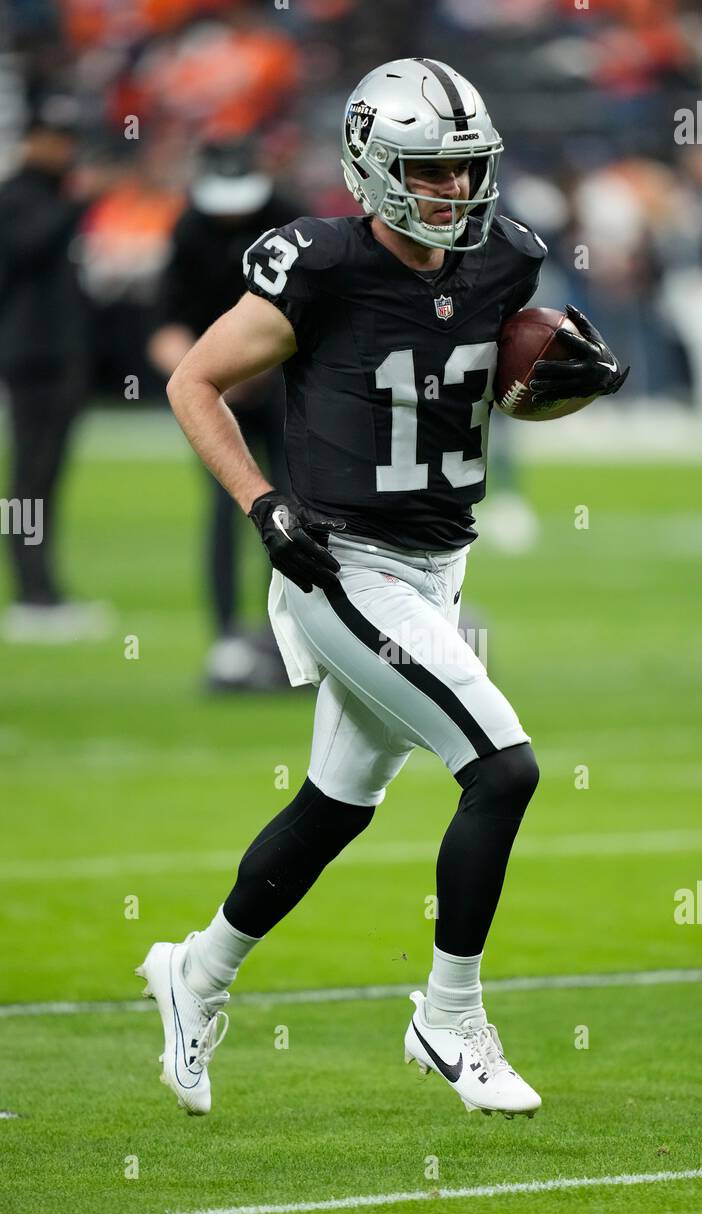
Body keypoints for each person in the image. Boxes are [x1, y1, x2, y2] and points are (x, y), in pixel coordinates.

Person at [136, 59, 627, 1119]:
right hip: (340, 562)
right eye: (428, 172)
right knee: (501, 770)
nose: (453, 194)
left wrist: (545, 383)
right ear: (369, 169)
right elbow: (193, 382)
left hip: (439, 560)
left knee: (332, 807)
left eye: (464, 171)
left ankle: (196, 972)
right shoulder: (318, 266)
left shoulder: (505, 258)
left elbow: (472, 371)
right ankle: (447, 1016)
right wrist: (263, 506)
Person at [148, 139, 303, 690]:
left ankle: (287, 639)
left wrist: (257, 368)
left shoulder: (288, 218)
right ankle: (227, 639)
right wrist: (204, 377)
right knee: (224, 508)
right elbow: (165, 325)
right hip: (218, 395)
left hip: (286, 389)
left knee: (292, 510)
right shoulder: (189, 229)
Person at [0, 96, 111, 642]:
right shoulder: (16, 196)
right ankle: (31, 593)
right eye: (58, 139)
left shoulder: (44, 196)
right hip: (32, 359)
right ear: (33, 141)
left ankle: (41, 589)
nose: (67, 151)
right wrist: (77, 205)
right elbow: (26, 249)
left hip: (57, 359)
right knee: (29, 482)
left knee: (44, 480)